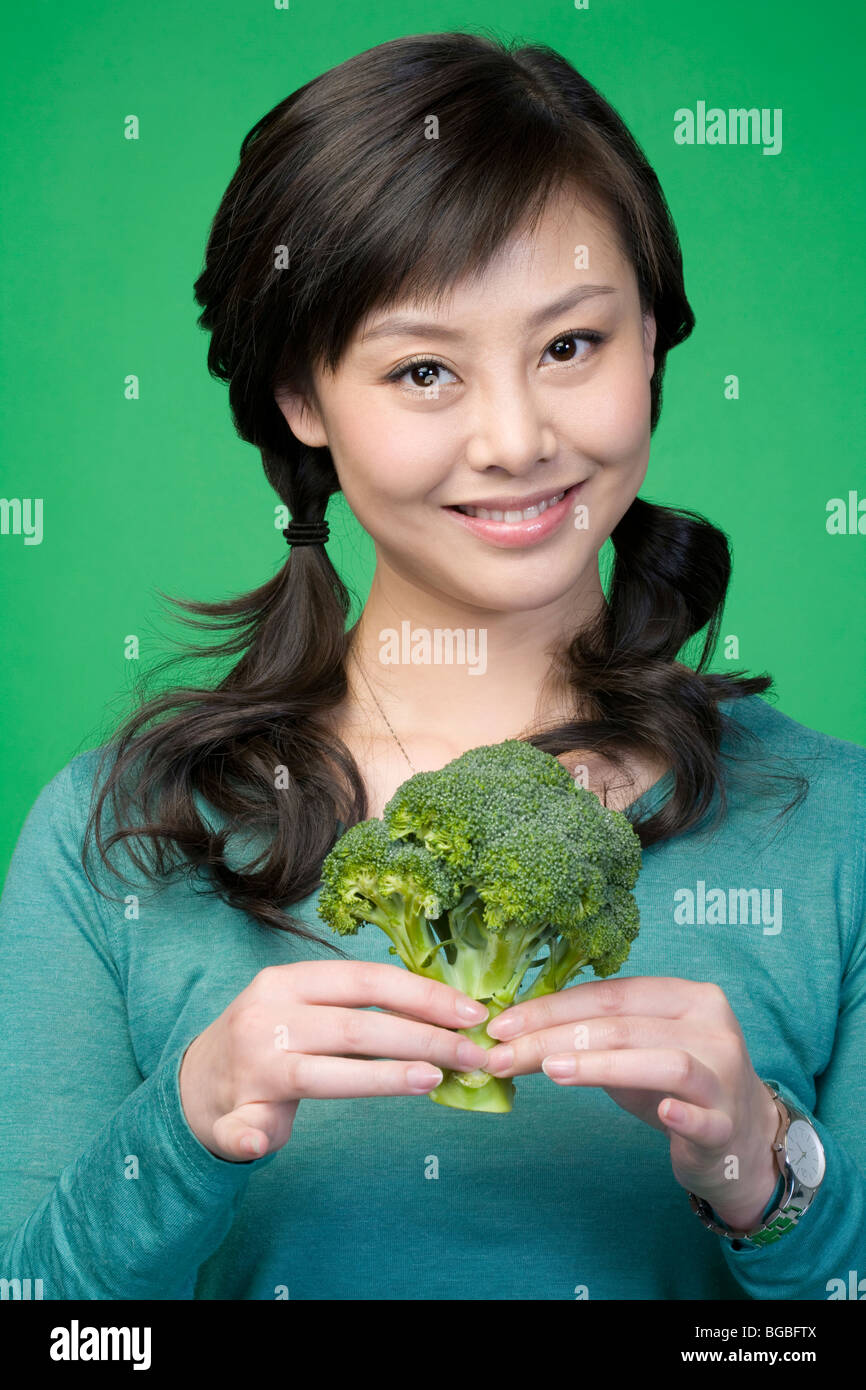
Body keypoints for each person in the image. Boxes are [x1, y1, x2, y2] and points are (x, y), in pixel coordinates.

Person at [1, 30, 863, 1302]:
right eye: (422, 370)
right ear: (302, 394)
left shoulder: (832, 828)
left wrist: (767, 1166)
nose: (516, 440)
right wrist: (181, 1128)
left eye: (570, 345)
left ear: (652, 346)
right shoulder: (113, 835)